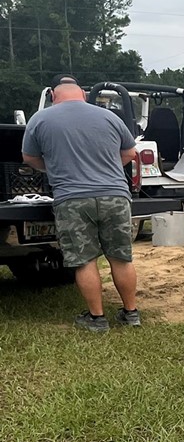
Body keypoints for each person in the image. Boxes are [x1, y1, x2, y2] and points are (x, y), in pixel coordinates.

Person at [21, 74, 141, 332]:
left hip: (72, 198)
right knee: (121, 258)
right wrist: (108, 170)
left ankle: (97, 319)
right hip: (115, 196)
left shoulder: (40, 119)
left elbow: (29, 157)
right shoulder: (110, 117)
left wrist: (53, 168)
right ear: (84, 95)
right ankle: (131, 313)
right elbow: (130, 153)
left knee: (84, 260)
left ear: (53, 96)